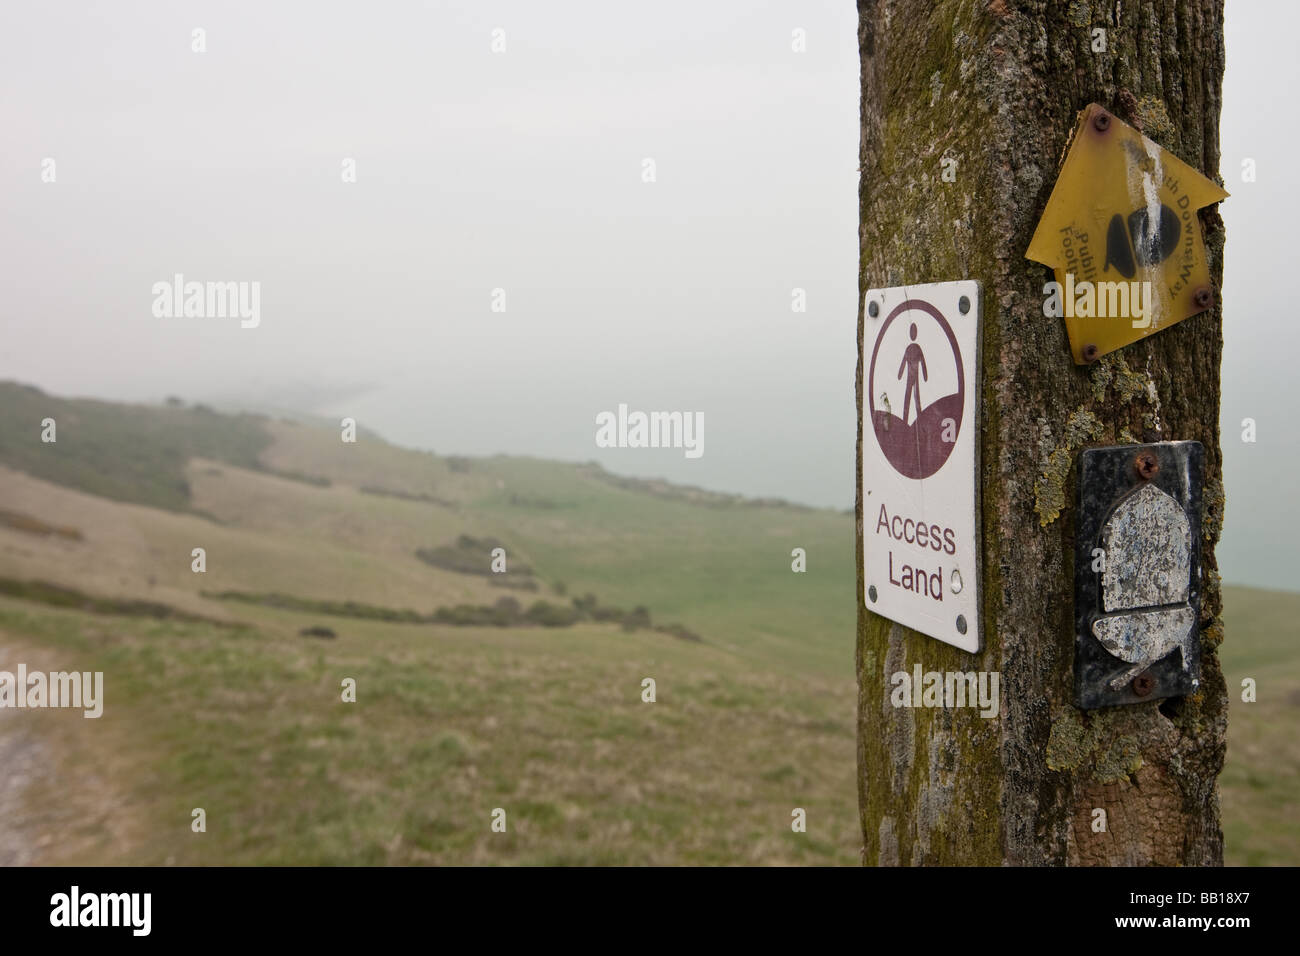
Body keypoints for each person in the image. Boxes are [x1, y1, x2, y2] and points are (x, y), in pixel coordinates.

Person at [897, 323, 928, 426]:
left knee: (914, 399)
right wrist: (899, 374)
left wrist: (925, 376)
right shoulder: (912, 348)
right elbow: (903, 363)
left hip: (913, 378)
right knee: (911, 399)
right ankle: (906, 421)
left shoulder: (914, 348)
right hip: (910, 378)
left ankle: (917, 421)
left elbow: (923, 363)